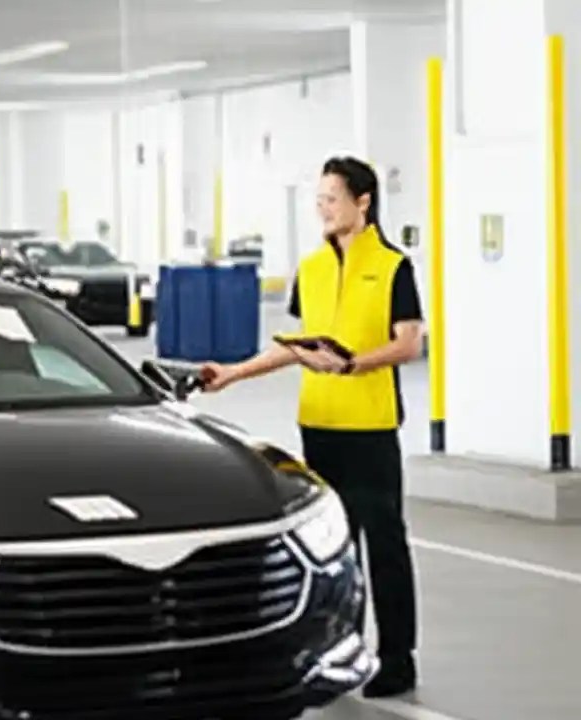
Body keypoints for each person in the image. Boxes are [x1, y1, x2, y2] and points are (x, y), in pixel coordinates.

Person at [202, 156, 423, 698]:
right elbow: (296, 346)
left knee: (385, 546)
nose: (322, 208)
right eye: (319, 199)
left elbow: (408, 344)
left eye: (331, 198)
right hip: (319, 425)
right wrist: (233, 373)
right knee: (334, 549)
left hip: (370, 428)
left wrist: (353, 364)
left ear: (363, 202)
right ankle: (343, 649)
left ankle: (398, 659)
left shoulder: (393, 266)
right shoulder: (313, 268)